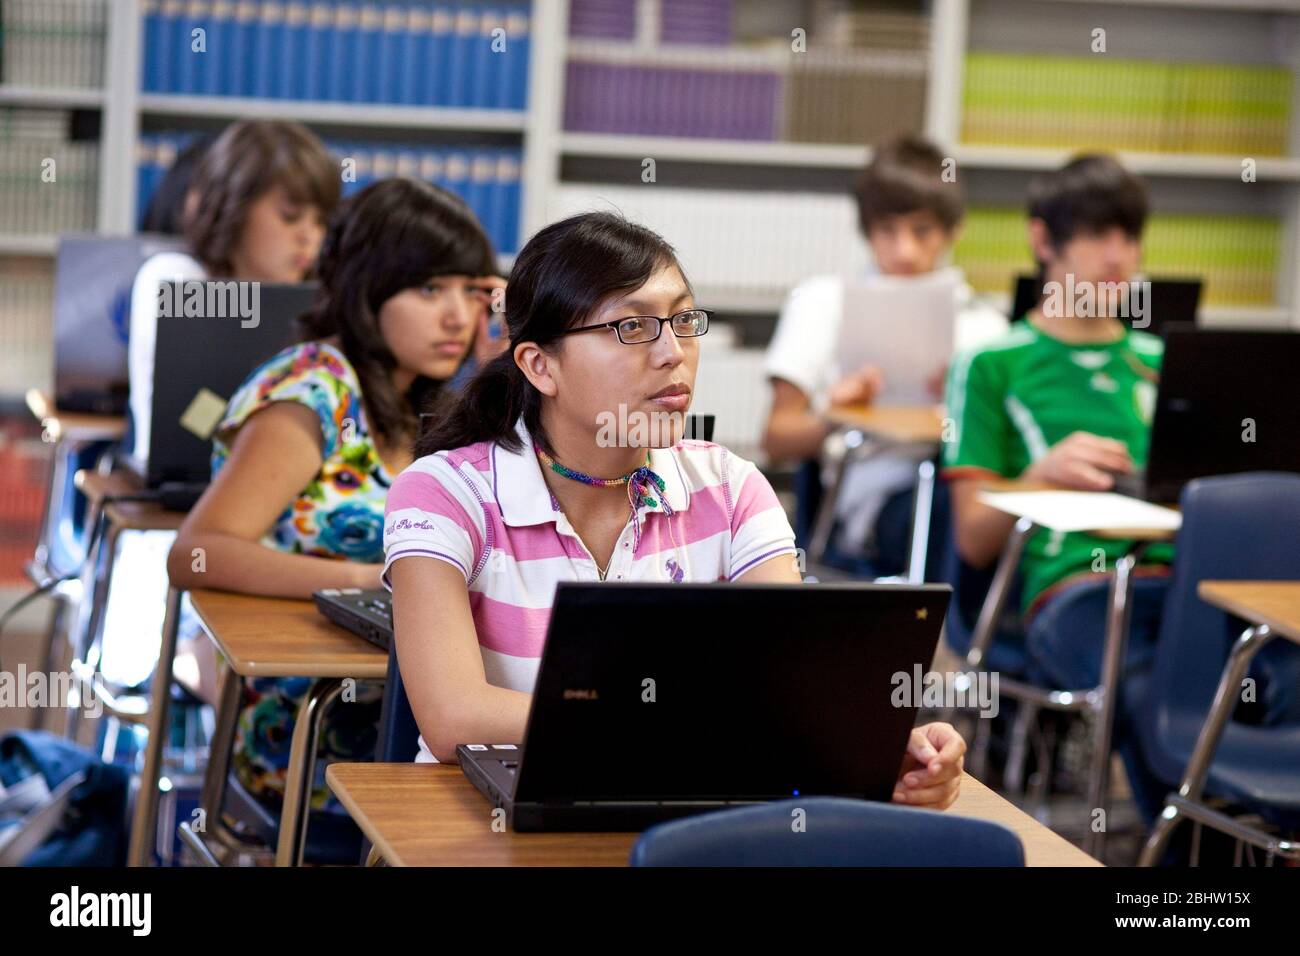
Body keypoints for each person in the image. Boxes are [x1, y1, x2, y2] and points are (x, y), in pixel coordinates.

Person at [384, 211, 966, 810]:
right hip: (477, 820)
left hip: (677, 816)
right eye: (633, 326)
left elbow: (795, 693)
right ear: (540, 365)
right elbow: (454, 717)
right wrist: (683, 722)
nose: (673, 353)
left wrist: (881, 743)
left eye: (683, 320)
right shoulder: (444, 493)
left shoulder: (730, 488)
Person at [167, 177, 505, 813]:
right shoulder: (314, 390)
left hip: (398, 702)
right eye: (430, 289)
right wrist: (366, 576)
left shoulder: (424, 399)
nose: (459, 316)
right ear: (367, 289)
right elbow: (196, 552)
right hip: (306, 731)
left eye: (473, 290)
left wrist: (500, 374)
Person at [762, 135, 1006, 572]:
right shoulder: (823, 302)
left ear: (953, 231)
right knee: (947, 511)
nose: (904, 251)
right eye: (887, 231)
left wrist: (966, 407)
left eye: (922, 231)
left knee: (975, 502)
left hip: (958, 489)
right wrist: (835, 412)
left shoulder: (986, 329)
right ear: (866, 230)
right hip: (868, 506)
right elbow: (777, 439)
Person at [126, 120, 339, 473]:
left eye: (320, 222)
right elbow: (191, 421)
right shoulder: (176, 277)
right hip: (181, 504)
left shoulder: (320, 300)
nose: (309, 236)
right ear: (233, 207)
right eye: (290, 216)